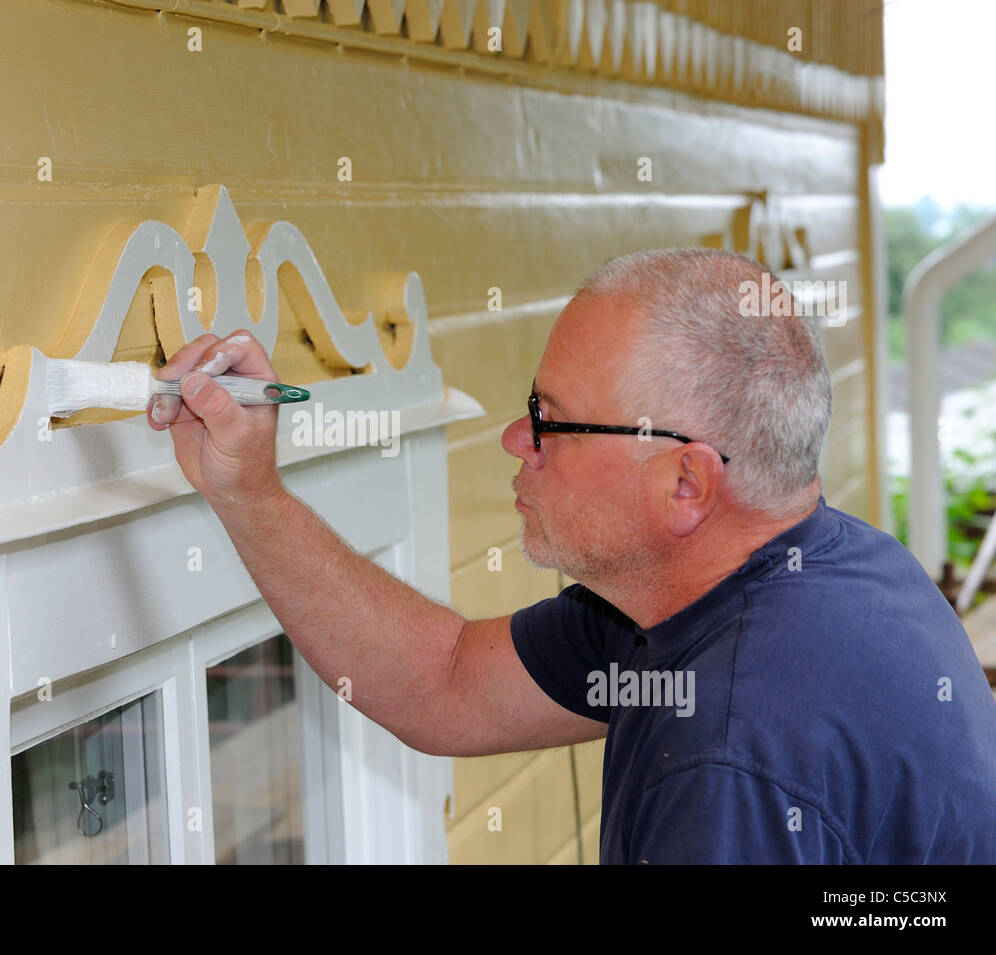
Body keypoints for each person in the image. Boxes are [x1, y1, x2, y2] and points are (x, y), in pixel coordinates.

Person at [145, 247, 996, 864]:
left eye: (551, 417)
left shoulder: (732, 756)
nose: (518, 438)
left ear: (685, 486)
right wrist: (248, 489)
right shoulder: (818, 569)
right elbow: (441, 681)